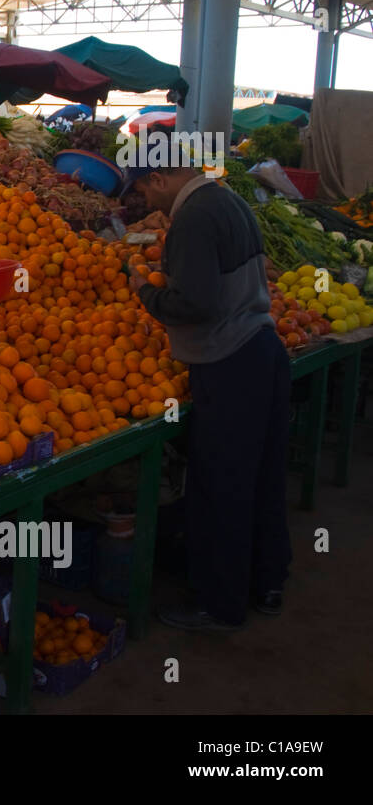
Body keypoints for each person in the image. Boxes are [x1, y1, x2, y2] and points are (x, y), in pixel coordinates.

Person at [128, 162, 291, 631]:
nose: (144, 202)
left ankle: (218, 605)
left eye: (142, 189)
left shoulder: (194, 218)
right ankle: (266, 583)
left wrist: (146, 292)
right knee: (261, 476)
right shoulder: (229, 200)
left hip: (228, 362)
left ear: (159, 178)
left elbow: (195, 305)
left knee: (221, 485)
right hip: (263, 351)